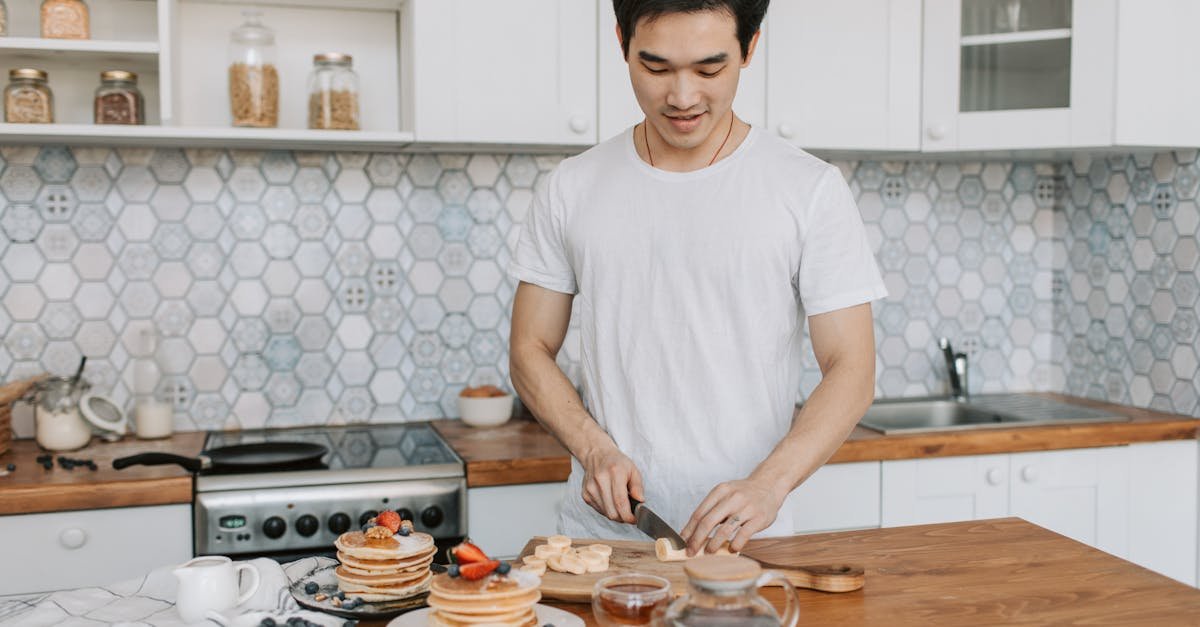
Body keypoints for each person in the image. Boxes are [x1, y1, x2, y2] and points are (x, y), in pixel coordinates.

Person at [507, 0, 886, 556]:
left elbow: (852, 367)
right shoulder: (572, 187)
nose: (682, 97)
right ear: (621, 43)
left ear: (750, 48)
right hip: (605, 545)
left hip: (748, 544)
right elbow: (528, 348)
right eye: (655, 68)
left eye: (710, 69)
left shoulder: (809, 190)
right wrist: (594, 450)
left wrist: (769, 484)